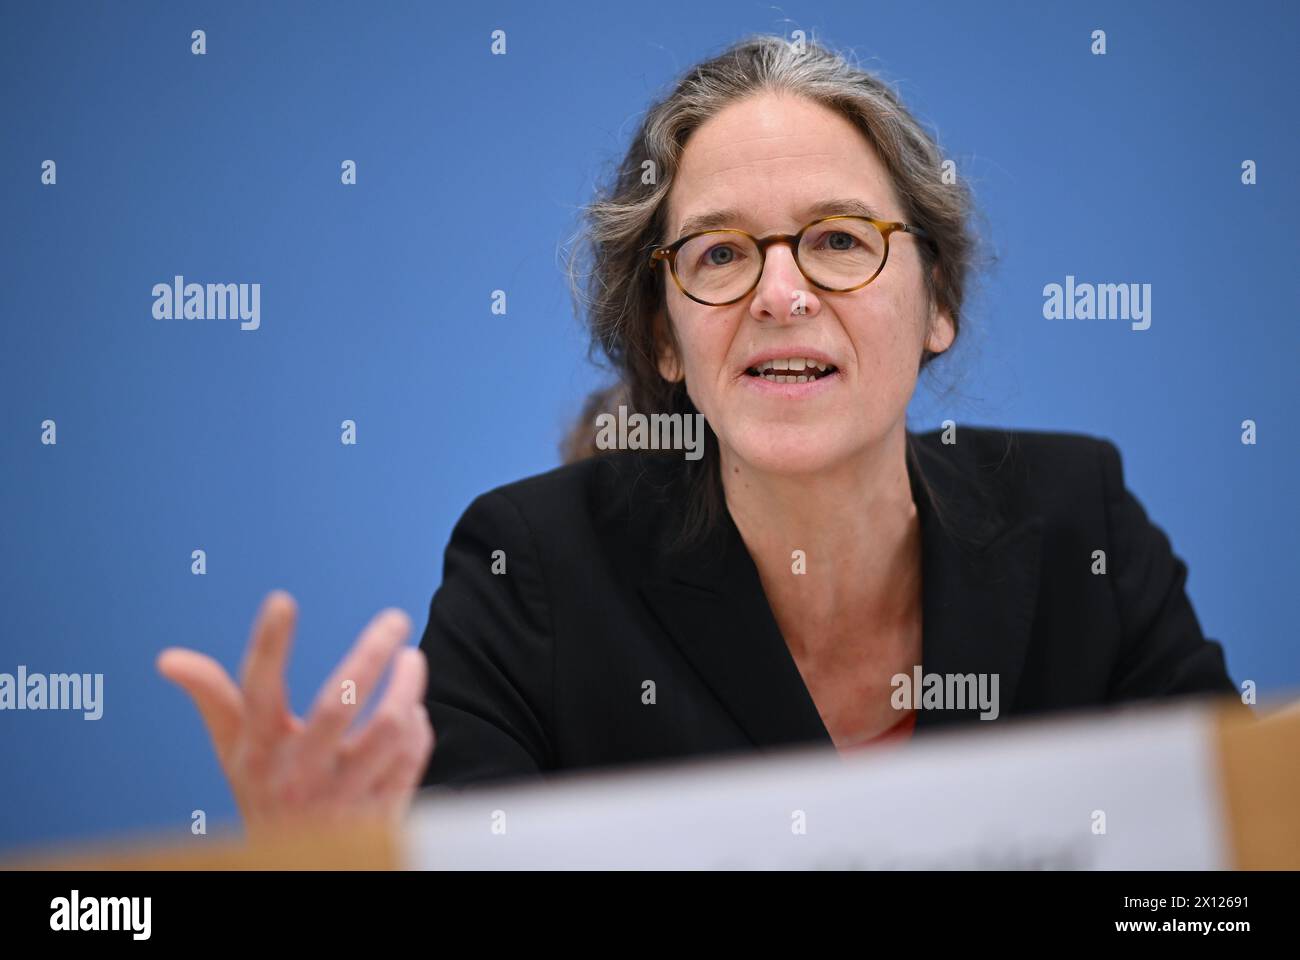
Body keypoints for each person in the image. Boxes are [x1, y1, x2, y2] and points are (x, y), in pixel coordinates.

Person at [157, 34, 1237, 833]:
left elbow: (1230, 873)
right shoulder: (528, 574)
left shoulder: (1075, 522)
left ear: (937, 304)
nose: (779, 291)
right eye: (717, 255)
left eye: (837, 239)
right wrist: (328, 862)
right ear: (665, 341)